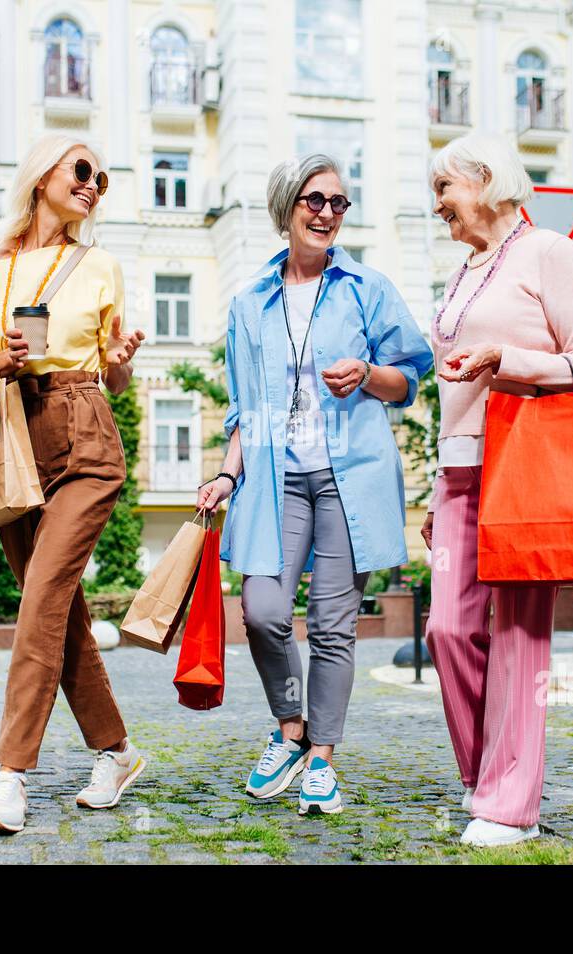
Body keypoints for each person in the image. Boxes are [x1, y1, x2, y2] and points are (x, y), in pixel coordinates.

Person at [197, 154, 433, 816]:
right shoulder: (249, 304)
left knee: (333, 627)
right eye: (314, 200)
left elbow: (412, 375)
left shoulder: (367, 288)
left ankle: (321, 757)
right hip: (274, 480)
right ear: (286, 207)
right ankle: (290, 727)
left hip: (348, 477)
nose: (327, 212)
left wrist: (368, 373)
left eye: (338, 202)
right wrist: (223, 474)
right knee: (264, 613)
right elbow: (244, 408)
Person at [0, 134, 148, 834]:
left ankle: (10, 774)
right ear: (41, 177)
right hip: (14, 440)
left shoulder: (100, 265)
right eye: (83, 170)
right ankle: (116, 752)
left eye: (104, 178)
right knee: (62, 614)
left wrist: (120, 361)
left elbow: (114, 378)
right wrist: (3, 357)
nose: (94, 184)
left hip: (87, 432)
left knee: (41, 598)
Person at [422, 133, 573, 847]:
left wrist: (513, 359)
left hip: (524, 467)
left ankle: (510, 806)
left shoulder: (547, 252)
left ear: (488, 179)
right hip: (460, 473)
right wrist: (437, 486)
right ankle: (486, 778)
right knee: (447, 630)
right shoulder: (464, 271)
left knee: (520, 643)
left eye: (445, 186)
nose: (436, 203)